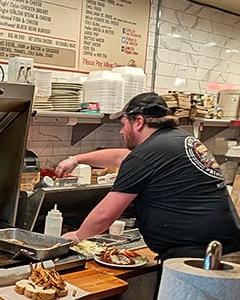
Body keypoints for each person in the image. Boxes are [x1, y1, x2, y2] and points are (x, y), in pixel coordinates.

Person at [54, 92, 240, 260]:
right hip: (223, 249)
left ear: (139, 121)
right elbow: (121, 157)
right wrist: (76, 159)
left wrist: (77, 236)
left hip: (204, 259)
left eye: (123, 124)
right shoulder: (175, 140)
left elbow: (105, 215)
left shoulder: (149, 153)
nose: (121, 131)